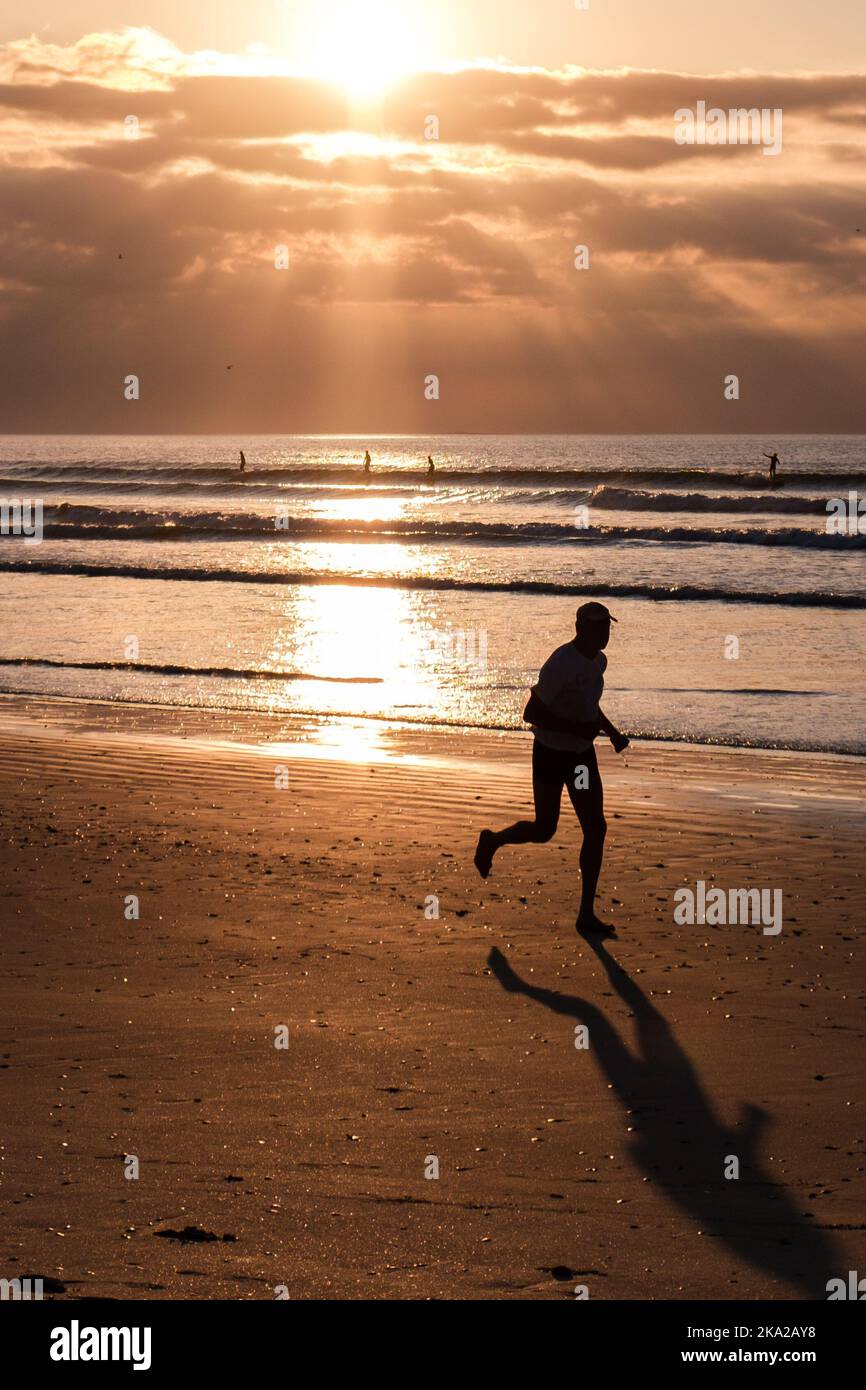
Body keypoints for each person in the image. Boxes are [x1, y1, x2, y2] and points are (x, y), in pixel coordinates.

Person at [474, 601, 629, 934]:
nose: (606, 633)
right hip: (549, 753)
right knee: (545, 829)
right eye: (600, 627)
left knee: (596, 828)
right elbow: (532, 713)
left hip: (580, 760)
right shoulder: (560, 663)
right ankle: (492, 841)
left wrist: (612, 732)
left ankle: (586, 914)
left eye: (608, 627)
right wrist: (574, 729)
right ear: (580, 629)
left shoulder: (599, 661)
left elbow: (590, 705)